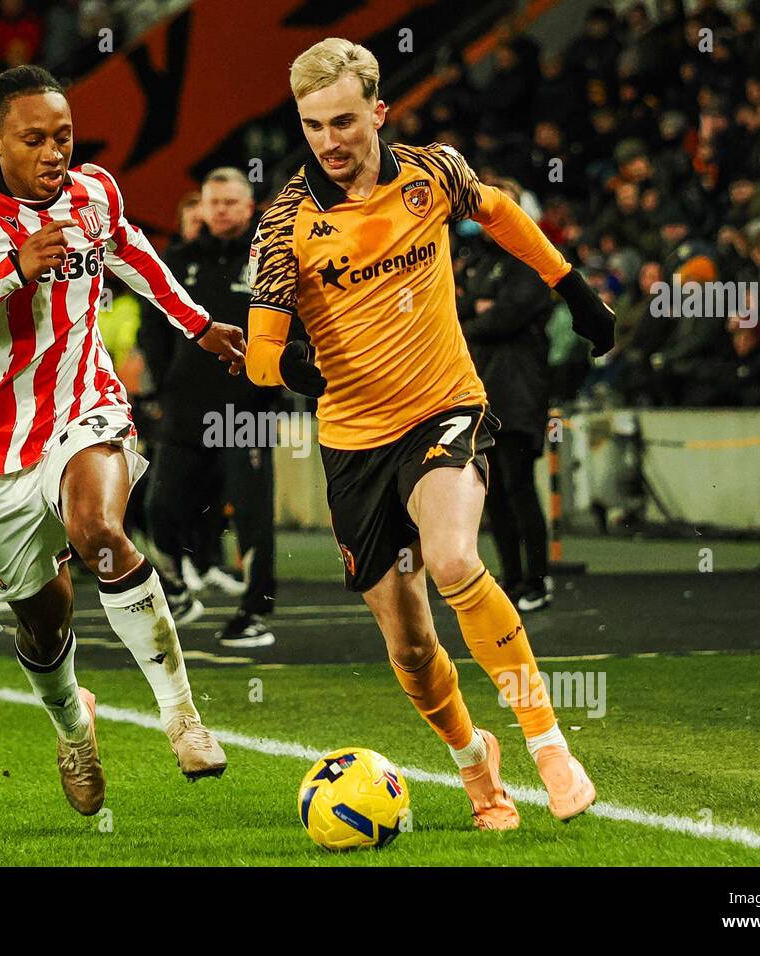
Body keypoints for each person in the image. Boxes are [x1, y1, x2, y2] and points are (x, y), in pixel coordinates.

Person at [246, 39, 612, 830]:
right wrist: (293, 370)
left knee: (453, 557)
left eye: (344, 121)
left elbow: (500, 210)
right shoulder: (284, 224)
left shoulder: (433, 172)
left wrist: (571, 288)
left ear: (378, 111)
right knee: (410, 644)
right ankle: (476, 762)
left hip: (445, 404)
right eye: (313, 126)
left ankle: (549, 744)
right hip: (352, 441)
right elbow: (260, 354)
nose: (330, 141)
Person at [0, 66, 245, 816]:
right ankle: (74, 727)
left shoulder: (96, 193)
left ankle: (182, 715)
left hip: (86, 405)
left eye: (63, 135)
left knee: (101, 531)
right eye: (34, 139)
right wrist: (11, 271)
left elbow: (133, 251)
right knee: (43, 622)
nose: (54, 151)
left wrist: (197, 324)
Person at [143, 168, 280, 648]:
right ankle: (178, 592)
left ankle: (255, 612)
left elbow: (292, 328)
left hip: (246, 413)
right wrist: (164, 386)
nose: (220, 211)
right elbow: (153, 328)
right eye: (213, 202)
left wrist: (270, 386)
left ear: (249, 207)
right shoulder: (177, 260)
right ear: (201, 207)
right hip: (185, 412)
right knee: (158, 506)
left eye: (230, 202)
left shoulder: (269, 260)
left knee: (250, 515)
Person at [457, 228, 554, 612]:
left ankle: (537, 579)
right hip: (485, 393)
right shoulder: (484, 264)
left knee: (519, 486)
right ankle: (512, 578)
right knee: (493, 490)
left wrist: (477, 316)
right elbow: (458, 306)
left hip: (519, 393)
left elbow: (506, 316)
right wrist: (478, 309)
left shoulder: (529, 263)